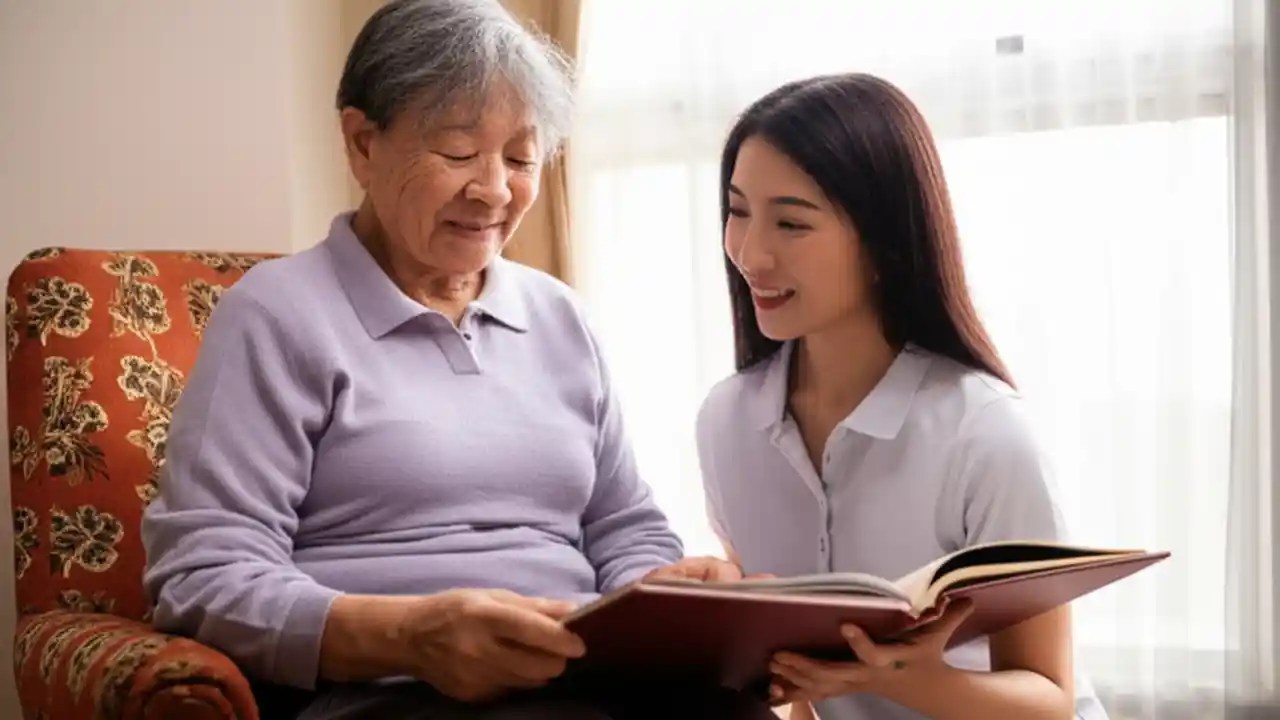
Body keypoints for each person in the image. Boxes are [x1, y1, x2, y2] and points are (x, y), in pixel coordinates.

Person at [140, 1, 772, 718]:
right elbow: (203, 574)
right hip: (388, 694)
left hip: (582, 677)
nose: (494, 189)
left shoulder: (559, 316)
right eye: (459, 152)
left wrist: (662, 593)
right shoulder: (276, 314)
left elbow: (622, 525)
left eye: (521, 158)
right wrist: (409, 638)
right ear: (362, 144)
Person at [695, 73, 1108, 720]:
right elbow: (800, 681)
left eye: (791, 223)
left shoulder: (984, 433)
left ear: (885, 242)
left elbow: (1050, 700)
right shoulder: (728, 422)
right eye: (739, 211)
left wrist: (905, 680)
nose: (751, 253)